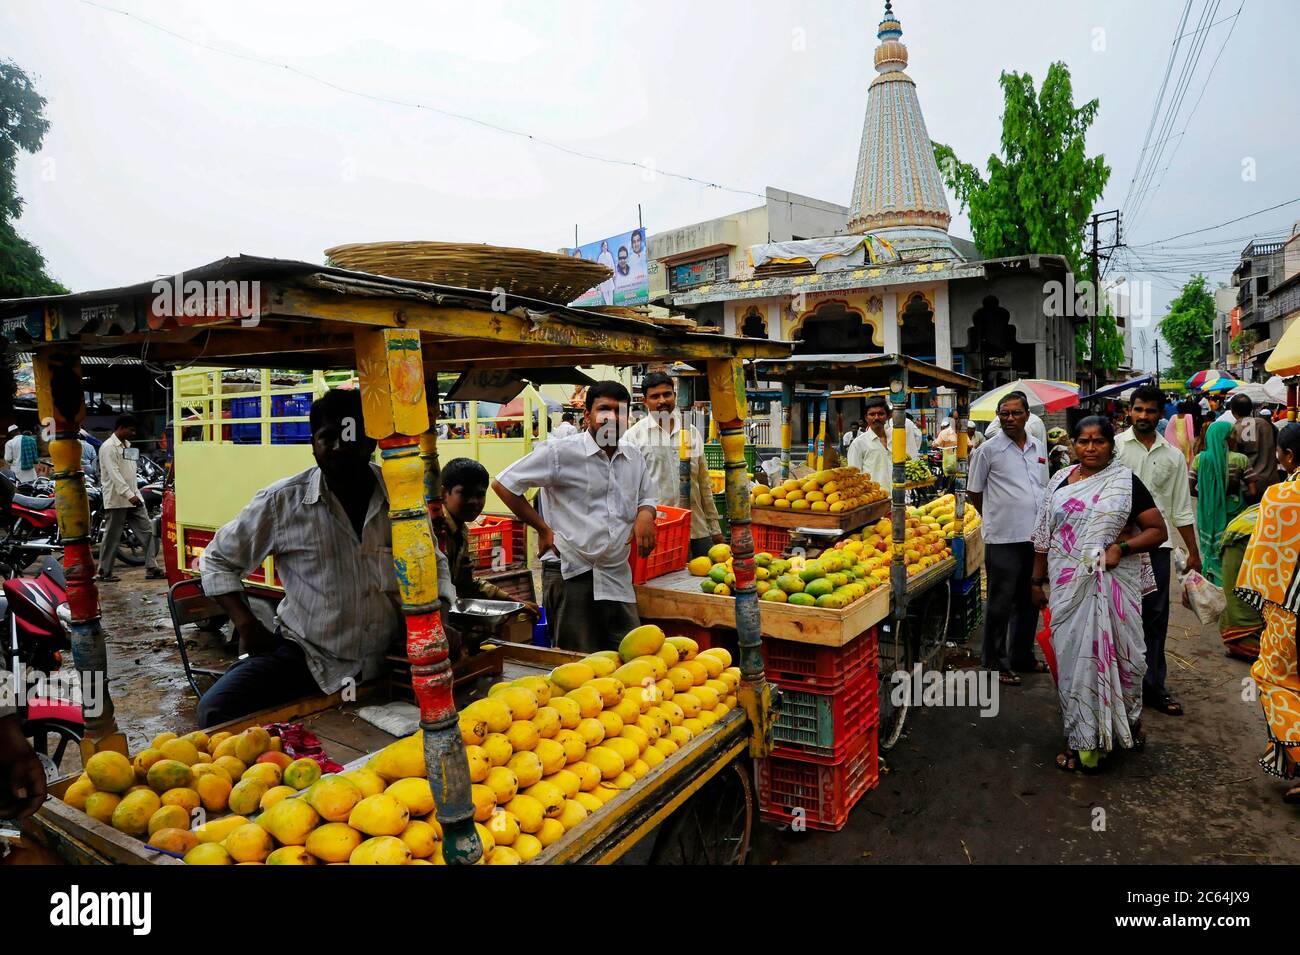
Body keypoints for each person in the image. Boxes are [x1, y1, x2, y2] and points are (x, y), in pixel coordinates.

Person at [198, 390, 456, 726]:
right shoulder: (282, 503)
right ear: (313, 445)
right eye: (326, 437)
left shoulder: (402, 498)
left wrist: (442, 623)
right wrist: (247, 625)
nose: (338, 446)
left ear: (370, 442)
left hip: (390, 660)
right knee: (216, 710)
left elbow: (432, 564)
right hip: (308, 658)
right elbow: (217, 560)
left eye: (349, 435)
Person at [1031, 416, 1167, 772]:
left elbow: (1157, 531)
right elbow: (1044, 535)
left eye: (1099, 441)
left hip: (1112, 587)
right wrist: (1035, 581)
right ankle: (1081, 740)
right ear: (1073, 444)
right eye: (1083, 441)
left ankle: (1126, 724)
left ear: (1111, 445)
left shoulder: (1125, 483)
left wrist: (1122, 547)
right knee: (1075, 662)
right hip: (1068, 587)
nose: (1090, 448)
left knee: (1127, 658)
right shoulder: (1060, 480)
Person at [492, 380, 657, 654]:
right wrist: (543, 529)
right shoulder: (560, 453)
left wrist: (645, 514)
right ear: (587, 416)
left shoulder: (634, 457)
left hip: (616, 573)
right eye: (604, 410)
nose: (612, 418)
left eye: (620, 411)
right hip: (572, 571)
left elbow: (647, 496)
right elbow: (504, 484)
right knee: (578, 663)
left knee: (632, 656)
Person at [1116, 386, 1202, 718]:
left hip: (1158, 549)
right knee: (1120, 617)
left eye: (1150, 411)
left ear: (1159, 414)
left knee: (1155, 619)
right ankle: (1121, 686)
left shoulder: (1173, 456)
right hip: (1120, 549)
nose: (1143, 416)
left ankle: (1154, 685)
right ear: (1130, 411)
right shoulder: (1117, 450)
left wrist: (1194, 552)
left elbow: (1180, 508)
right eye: (1138, 409)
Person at [967, 391, 1049, 684]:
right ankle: (994, 663)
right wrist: (993, 515)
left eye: (1015, 413)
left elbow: (1043, 487)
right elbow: (974, 491)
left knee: (1030, 599)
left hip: (1034, 538)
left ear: (1027, 415)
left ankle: (1021, 656)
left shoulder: (1039, 446)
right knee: (1001, 602)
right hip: (1003, 538)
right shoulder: (988, 451)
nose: (1009, 418)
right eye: (1004, 414)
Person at [1238, 424, 1300, 800]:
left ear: (1288, 456)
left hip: (1290, 610)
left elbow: (1264, 557)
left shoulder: (1280, 495)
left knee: (1273, 678)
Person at [623, 371, 723, 560]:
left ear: (674, 396)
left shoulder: (692, 432)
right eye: (655, 396)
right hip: (659, 530)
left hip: (697, 530)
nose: (662, 400)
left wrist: (715, 527)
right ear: (645, 401)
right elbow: (628, 489)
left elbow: (704, 484)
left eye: (666, 394)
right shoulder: (634, 437)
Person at [437, 457, 539, 619]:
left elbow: (467, 584)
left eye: (480, 495)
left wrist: (514, 603)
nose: (474, 502)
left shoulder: (460, 530)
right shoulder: (437, 530)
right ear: (443, 494)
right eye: (465, 494)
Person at [97, 414, 164, 582]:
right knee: (112, 538)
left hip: (134, 497)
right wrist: (129, 494)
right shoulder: (108, 447)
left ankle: (151, 568)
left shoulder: (127, 446)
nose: (133, 433)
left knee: (149, 532)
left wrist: (135, 494)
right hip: (117, 500)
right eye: (131, 430)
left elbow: (131, 473)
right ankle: (104, 572)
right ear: (121, 428)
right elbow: (115, 475)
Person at [1192, 419, 1248, 585]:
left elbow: (1190, 488)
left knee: (1212, 553)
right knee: (1233, 553)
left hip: (1209, 516)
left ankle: (1214, 584)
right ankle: (1232, 586)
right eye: (1233, 435)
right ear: (1225, 438)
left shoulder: (1200, 459)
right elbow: (1252, 491)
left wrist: (1209, 497)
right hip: (1235, 514)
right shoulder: (1241, 459)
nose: (1236, 439)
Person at [1218, 501, 1264, 661]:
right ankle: (1249, 646)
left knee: (1239, 594)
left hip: (1241, 529)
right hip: (1252, 535)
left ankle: (1238, 642)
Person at [1232, 396, 1281, 505]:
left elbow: (1235, 461)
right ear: (1251, 409)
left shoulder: (1235, 429)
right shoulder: (1266, 424)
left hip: (1249, 486)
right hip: (1271, 482)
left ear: (1232, 411)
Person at [846, 397, 891, 487]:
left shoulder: (895, 438)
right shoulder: (858, 444)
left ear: (887, 416)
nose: (876, 418)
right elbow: (854, 477)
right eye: (872, 414)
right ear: (866, 418)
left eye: (881, 414)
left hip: (901, 497)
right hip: (876, 498)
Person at [1164, 400, 1198, 467]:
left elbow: (1168, 430)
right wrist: (1192, 442)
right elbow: (1191, 430)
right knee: (1187, 458)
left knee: (1179, 457)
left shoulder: (1174, 417)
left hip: (1176, 439)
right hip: (1186, 439)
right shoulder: (1188, 416)